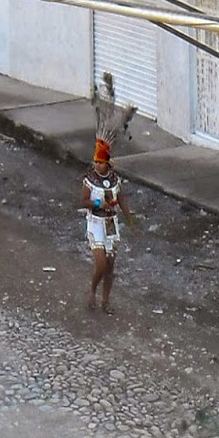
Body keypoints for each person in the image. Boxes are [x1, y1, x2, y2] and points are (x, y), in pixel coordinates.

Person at [83, 76, 136, 313]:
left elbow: (121, 197)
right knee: (101, 264)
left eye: (100, 162)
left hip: (112, 225)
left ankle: (106, 301)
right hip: (95, 224)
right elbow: (82, 201)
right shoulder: (89, 180)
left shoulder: (115, 180)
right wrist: (98, 202)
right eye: (95, 162)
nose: (97, 166)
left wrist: (128, 216)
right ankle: (92, 289)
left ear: (108, 163)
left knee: (111, 266)